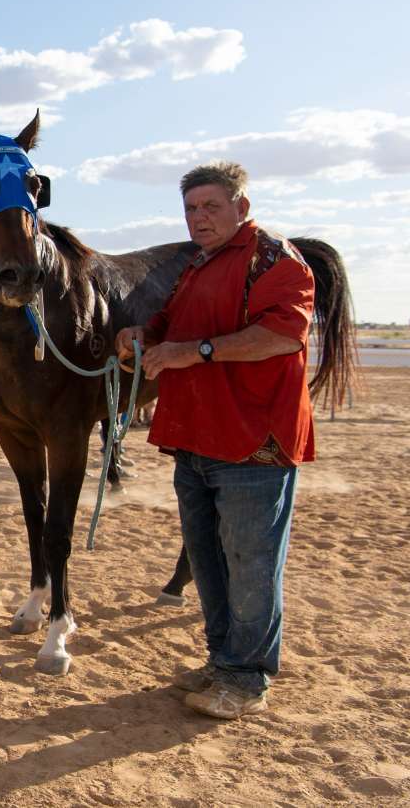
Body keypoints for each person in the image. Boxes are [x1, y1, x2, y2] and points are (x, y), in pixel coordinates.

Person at [115, 161, 315, 720]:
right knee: (208, 562)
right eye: (191, 209)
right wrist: (143, 337)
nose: (199, 218)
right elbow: (171, 323)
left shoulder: (275, 259)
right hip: (196, 440)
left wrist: (193, 351)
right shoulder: (198, 266)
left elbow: (280, 336)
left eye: (211, 207)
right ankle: (223, 660)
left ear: (241, 207)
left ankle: (246, 677)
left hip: (254, 442)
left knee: (250, 564)